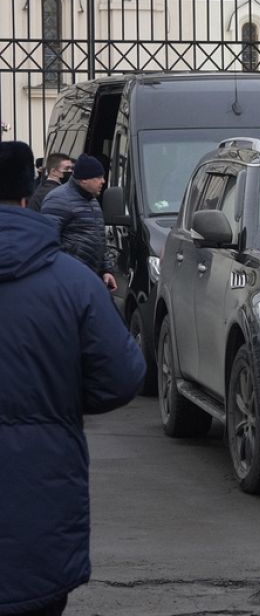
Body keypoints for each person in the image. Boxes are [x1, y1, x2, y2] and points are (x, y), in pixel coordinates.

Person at [0, 141, 145, 616]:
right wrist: (57, 395)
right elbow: (121, 378)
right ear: (28, 194)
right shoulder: (73, 282)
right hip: (39, 492)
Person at [39, 153, 116, 293]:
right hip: (68, 282)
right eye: (98, 177)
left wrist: (106, 270)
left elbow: (99, 239)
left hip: (90, 279)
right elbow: (47, 242)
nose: (103, 181)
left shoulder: (92, 201)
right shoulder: (59, 199)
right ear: (84, 180)